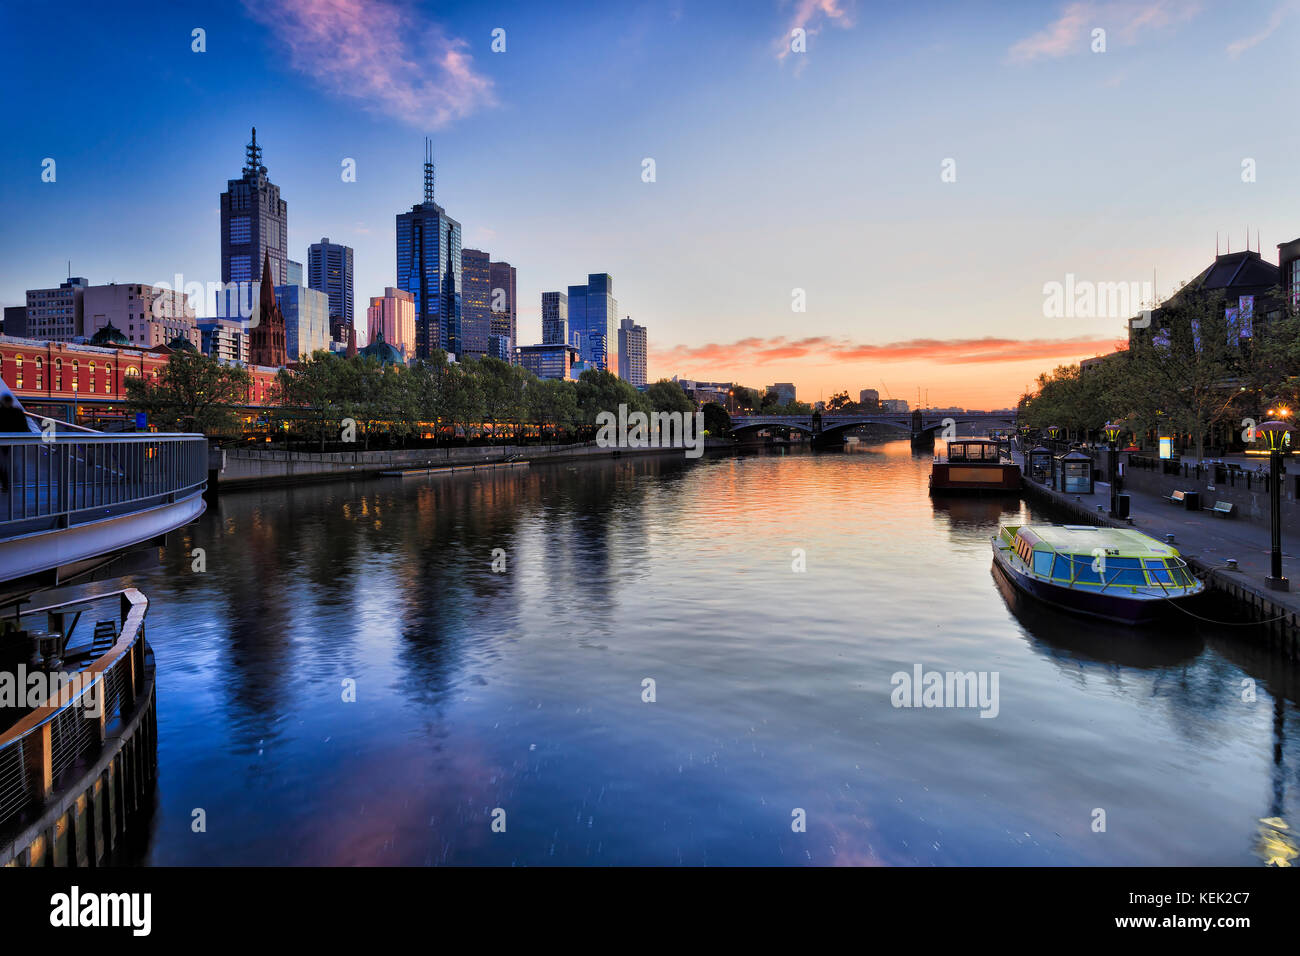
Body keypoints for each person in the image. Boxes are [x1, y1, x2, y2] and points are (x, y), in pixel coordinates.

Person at [0, 394, 31, 494]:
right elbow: (24, 426)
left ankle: (6, 482)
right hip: (14, 440)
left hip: (3, 440)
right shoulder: (17, 412)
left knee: (3, 462)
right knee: (9, 461)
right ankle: (10, 480)